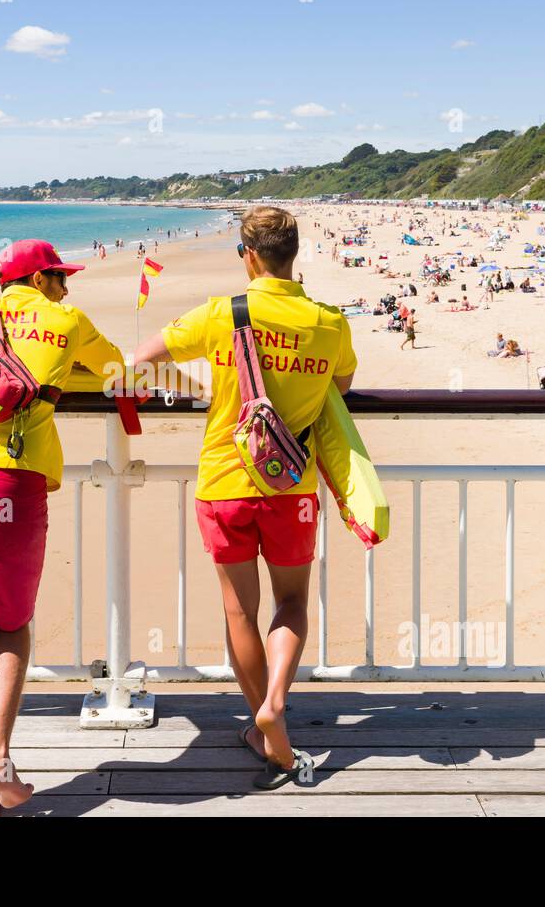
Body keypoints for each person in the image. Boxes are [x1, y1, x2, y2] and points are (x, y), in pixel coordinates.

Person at [133, 206, 356, 790]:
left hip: (226, 482)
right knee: (292, 603)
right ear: (294, 255)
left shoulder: (221, 315)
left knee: (240, 611)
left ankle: (261, 724)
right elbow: (342, 385)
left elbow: (139, 362)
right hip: (291, 486)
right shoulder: (330, 322)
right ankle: (276, 703)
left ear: (248, 256)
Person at [0, 239, 123, 816]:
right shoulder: (67, 318)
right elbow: (116, 367)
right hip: (10, 483)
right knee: (12, 626)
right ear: (39, 279)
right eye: (61, 277)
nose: (68, 287)